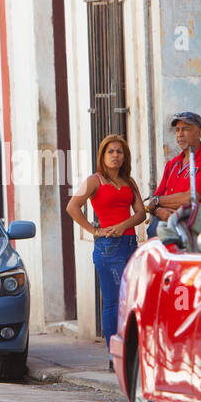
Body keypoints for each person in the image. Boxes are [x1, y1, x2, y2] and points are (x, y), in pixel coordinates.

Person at [67, 134, 147, 365]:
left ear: (125, 157)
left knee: (132, 300)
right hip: (108, 248)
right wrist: (94, 230)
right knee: (113, 301)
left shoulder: (129, 182)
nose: (115, 155)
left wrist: (124, 225)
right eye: (110, 151)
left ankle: (130, 349)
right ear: (103, 155)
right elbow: (72, 206)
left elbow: (141, 213)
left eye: (119, 152)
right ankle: (114, 355)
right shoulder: (95, 180)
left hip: (131, 245)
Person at [143, 111, 201, 237]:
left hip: (190, 229)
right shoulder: (172, 164)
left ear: (200, 132)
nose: (180, 134)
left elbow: (190, 198)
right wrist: (160, 211)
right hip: (162, 226)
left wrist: (159, 202)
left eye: (185, 129)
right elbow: (154, 200)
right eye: (177, 130)